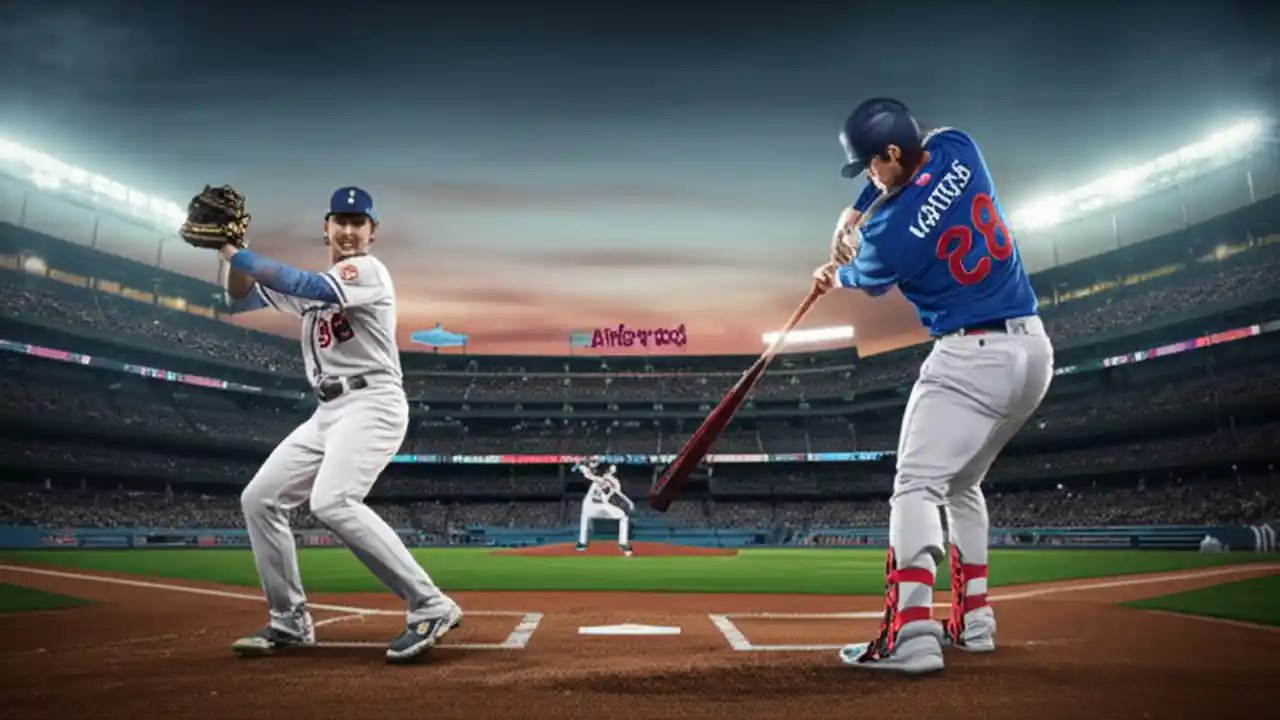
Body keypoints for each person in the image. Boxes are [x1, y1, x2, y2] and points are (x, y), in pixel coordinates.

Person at [813, 98, 1054, 674]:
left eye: (871, 165)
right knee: (962, 485)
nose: (869, 175)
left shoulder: (889, 235)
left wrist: (830, 272)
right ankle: (974, 622)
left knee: (915, 487)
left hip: (971, 356)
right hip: (1034, 351)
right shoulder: (960, 148)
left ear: (891, 153)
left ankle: (912, 635)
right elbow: (922, 157)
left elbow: (866, 279)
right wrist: (856, 208)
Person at [220, 186, 461, 664]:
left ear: (372, 232)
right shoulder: (320, 280)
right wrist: (226, 249)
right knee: (259, 499)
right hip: (327, 412)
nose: (349, 231)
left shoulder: (366, 271)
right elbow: (239, 298)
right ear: (325, 227)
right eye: (341, 221)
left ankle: (430, 604)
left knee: (332, 500)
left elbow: (310, 288)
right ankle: (288, 620)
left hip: (372, 402)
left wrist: (237, 251)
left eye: (358, 223)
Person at [575, 461, 635, 555]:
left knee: (623, 516)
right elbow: (589, 476)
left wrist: (628, 502)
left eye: (613, 469)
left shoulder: (614, 482)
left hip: (605, 506)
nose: (612, 471)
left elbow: (618, 493)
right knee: (585, 515)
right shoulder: (598, 479)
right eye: (610, 469)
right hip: (592, 506)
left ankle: (623, 543)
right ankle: (582, 542)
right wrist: (583, 468)